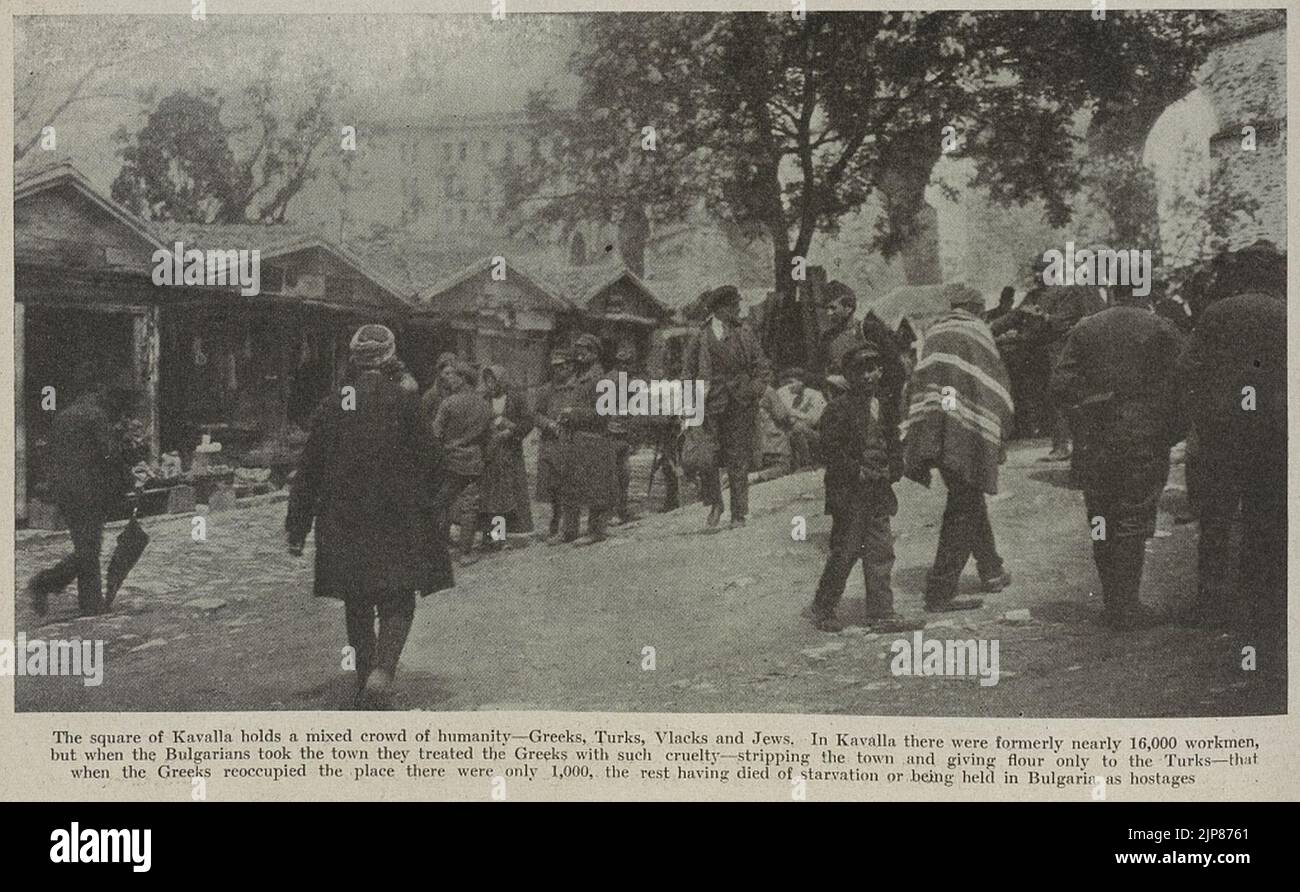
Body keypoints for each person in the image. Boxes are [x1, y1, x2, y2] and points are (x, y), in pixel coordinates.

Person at [285, 324, 453, 708]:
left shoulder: (334, 404)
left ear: (355, 359)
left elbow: (308, 469)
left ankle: (365, 678)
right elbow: (433, 462)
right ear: (390, 357)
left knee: (357, 600)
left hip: (342, 520)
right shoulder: (406, 401)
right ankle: (383, 671)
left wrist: (297, 528)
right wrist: (427, 505)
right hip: (397, 518)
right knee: (398, 598)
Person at [1049, 286, 1183, 631]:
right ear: (1145, 292)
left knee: (1102, 520)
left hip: (1095, 442)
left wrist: (1090, 410)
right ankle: (1127, 606)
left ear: (1113, 293)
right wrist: (1170, 431)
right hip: (1143, 439)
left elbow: (1060, 387)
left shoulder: (1084, 328)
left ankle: (1114, 604)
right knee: (1133, 520)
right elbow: (1186, 383)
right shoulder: (1161, 328)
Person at [1176, 241, 1286, 629]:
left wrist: (1203, 416)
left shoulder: (1215, 313)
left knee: (1217, 519)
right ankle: (1262, 603)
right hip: (1273, 432)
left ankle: (1210, 601)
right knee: (1266, 516)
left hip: (1222, 432)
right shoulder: (1286, 313)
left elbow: (1188, 369)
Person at [902, 284, 1014, 611]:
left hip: (937, 427)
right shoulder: (976, 332)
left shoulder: (935, 333)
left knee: (967, 494)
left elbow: (921, 382)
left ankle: (991, 569)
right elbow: (993, 380)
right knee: (963, 506)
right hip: (966, 430)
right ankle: (940, 589)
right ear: (976, 308)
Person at [807, 344, 923, 634]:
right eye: (861, 371)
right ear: (848, 375)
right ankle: (823, 608)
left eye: (873, 369)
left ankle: (882, 614)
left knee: (881, 551)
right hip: (850, 494)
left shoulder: (884, 403)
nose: (869, 376)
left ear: (881, 371)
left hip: (879, 490)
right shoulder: (838, 409)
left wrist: (894, 468)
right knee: (845, 551)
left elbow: (892, 441)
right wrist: (856, 471)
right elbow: (829, 451)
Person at [28, 371, 143, 617]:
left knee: (87, 546)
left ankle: (90, 603)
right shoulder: (96, 416)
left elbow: (51, 456)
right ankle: (44, 583)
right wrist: (128, 468)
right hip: (88, 491)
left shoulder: (63, 416)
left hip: (66, 491)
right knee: (89, 549)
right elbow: (110, 454)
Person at [683, 285, 767, 528]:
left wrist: (754, 389)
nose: (738, 309)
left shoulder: (745, 334)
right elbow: (687, 372)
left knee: (737, 458)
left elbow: (761, 366)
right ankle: (715, 505)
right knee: (707, 459)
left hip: (739, 405)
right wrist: (691, 403)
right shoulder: (700, 337)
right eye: (734, 306)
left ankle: (738, 513)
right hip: (709, 405)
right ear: (720, 309)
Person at [553, 333, 621, 545]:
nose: (580, 355)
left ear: (595, 354)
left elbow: (604, 413)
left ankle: (597, 531)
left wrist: (573, 414)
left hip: (595, 440)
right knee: (570, 485)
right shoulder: (579, 378)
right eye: (579, 351)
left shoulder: (604, 380)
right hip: (576, 440)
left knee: (596, 488)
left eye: (586, 351)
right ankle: (569, 531)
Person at [429, 360, 492, 564]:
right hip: (473, 461)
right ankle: (465, 553)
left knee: (441, 502)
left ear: (463, 378)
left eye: (453, 375)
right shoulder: (483, 403)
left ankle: (439, 548)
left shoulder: (448, 403)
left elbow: (435, 434)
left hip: (450, 461)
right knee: (469, 506)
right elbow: (488, 437)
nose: (449, 379)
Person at [474, 364, 535, 552]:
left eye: (493, 380)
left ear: (501, 380)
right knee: (493, 496)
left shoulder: (516, 398)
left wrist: (511, 432)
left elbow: (528, 422)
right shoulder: (484, 399)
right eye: (488, 381)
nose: (491, 384)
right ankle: (493, 536)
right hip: (492, 454)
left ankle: (511, 535)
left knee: (512, 493)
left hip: (510, 453)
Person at [533, 348, 571, 538]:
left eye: (562, 367)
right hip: (551, 444)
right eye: (555, 367)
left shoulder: (576, 389)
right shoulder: (544, 391)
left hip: (571, 443)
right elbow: (536, 415)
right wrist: (548, 423)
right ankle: (556, 519)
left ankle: (569, 524)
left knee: (570, 483)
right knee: (554, 486)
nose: (559, 371)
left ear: (569, 367)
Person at [606, 341, 641, 525]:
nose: (626, 366)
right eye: (623, 363)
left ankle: (621, 510)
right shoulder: (609, 380)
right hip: (610, 432)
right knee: (613, 475)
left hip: (623, 433)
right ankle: (613, 512)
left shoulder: (629, 381)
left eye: (629, 363)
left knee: (623, 475)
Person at [775, 368, 826, 469]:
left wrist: (795, 415)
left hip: (817, 435)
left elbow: (815, 420)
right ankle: (789, 464)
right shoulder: (792, 398)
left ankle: (807, 463)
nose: (788, 387)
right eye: (785, 383)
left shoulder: (815, 395)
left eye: (791, 382)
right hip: (797, 434)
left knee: (797, 427)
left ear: (801, 381)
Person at [816, 280, 864, 386]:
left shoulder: (864, 331)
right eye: (826, 308)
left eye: (833, 308)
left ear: (848, 308)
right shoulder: (827, 337)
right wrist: (829, 379)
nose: (828, 313)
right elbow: (817, 370)